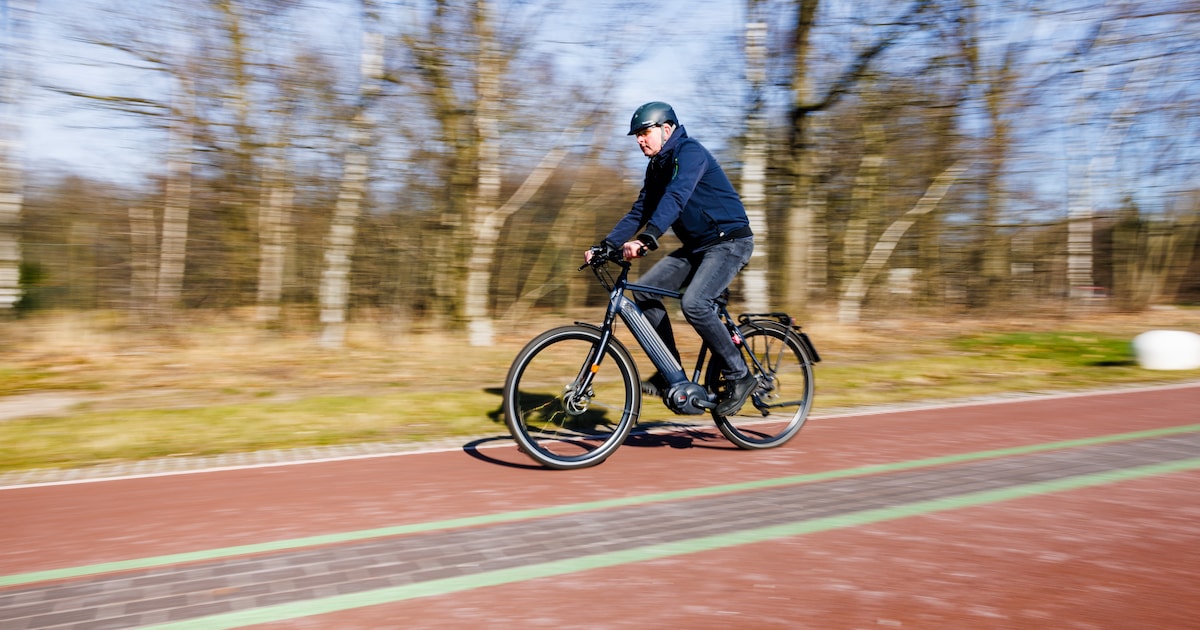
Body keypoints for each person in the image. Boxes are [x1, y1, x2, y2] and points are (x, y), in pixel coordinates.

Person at [585, 101, 757, 417]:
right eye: (636, 135)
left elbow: (677, 196)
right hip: (696, 247)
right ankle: (672, 373)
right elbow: (640, 210)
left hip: (728, 242)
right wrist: (606, 246)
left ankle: (740, 375)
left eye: (644, 132)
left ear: (667, 129)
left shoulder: (690, 153)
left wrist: (649, 237)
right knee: (645, 291)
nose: (640, 140)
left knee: (694, 303)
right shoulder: (657, 167)